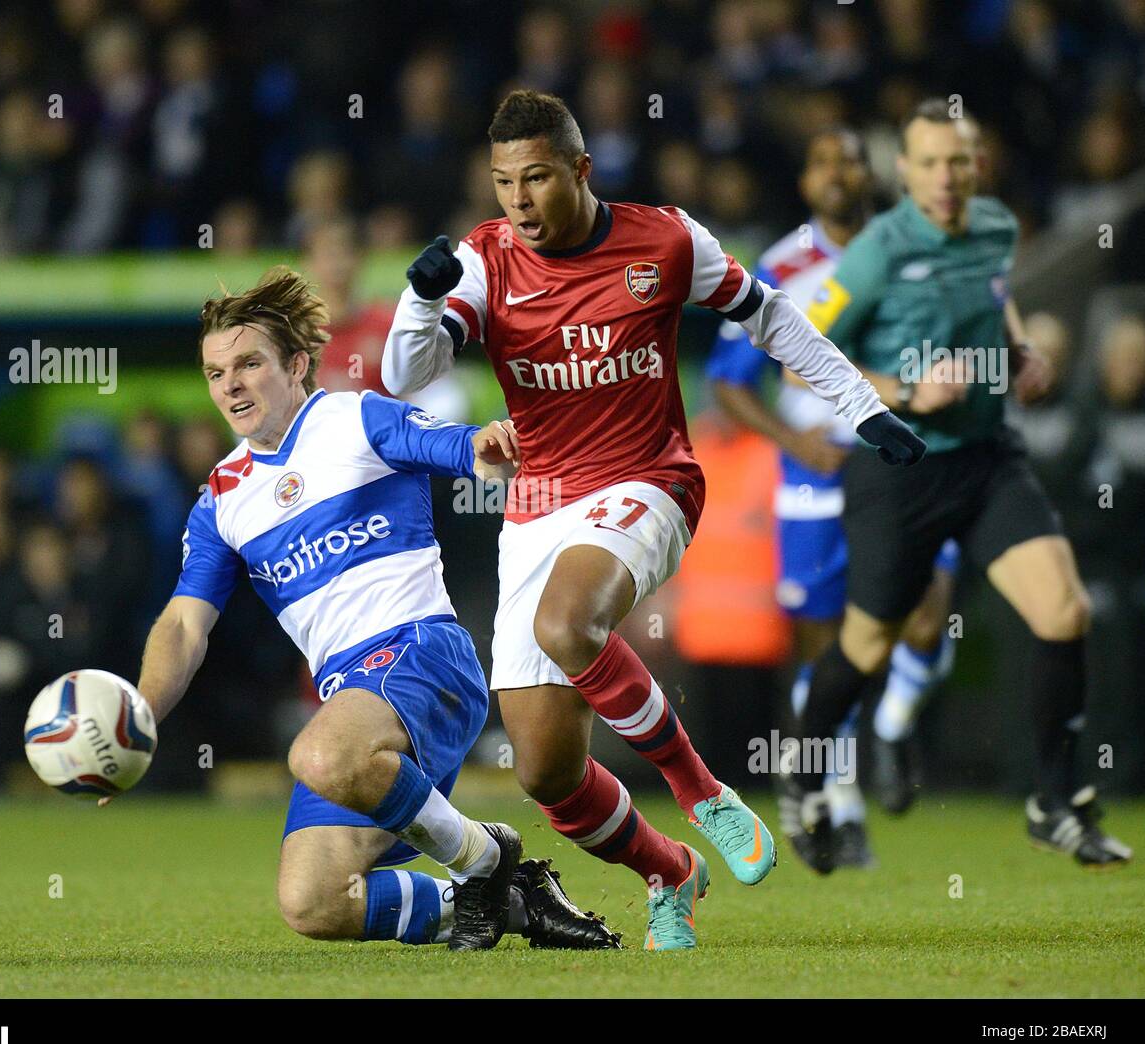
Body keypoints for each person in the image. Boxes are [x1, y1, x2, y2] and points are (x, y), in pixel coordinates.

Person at [383, 90, 922, 949]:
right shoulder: (485, 260)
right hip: (535, 507)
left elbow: (774, 316)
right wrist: (420, 299)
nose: (518, 201)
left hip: (650, 479)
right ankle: (669, 870)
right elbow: (406, 373)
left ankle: (704, 792)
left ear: (581, 170)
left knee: (569, 621)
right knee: (548, 775)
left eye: (536, 178)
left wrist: (862, 408)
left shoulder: (665, 239)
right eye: (502, 182)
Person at [115, 266, 619, 952]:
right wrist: (140, 718)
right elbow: (182, 624)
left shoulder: (355, 416)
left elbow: (452, 445)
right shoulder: (222, 499)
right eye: (214, 371)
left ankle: (482, 857)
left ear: (296, 365)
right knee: (316, 902)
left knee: (316, 752)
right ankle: (516, 898)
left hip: (422, 655)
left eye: (248, 363)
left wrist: (484, 446)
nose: (229, 384)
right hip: (353, 703)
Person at [789, 99, 1131, 870]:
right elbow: (802, 354)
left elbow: (995, 298)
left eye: (960, 162)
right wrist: (904, 392)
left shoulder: (997, 229)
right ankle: (806, 777)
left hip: (985, 457)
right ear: (904, 172)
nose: (947, 177)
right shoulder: (878, 249)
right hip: (899, 466)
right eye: (931, 162)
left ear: (978, 166)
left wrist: (1022, 351)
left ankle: (1055, 800)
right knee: (866, 643)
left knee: (1065, 610)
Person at [710, 128, 960, 870]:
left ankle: (894, 719)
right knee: (825, 644)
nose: (837, 172)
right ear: (806, 181)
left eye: (850, 157)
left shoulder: (912, 252)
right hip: (815, 475)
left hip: (903, 460)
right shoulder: (778, 268)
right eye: (821, 160)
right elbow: (729, 379)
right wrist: (791, 441)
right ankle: (845, 803)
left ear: (870, 171)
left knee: (927, 607)